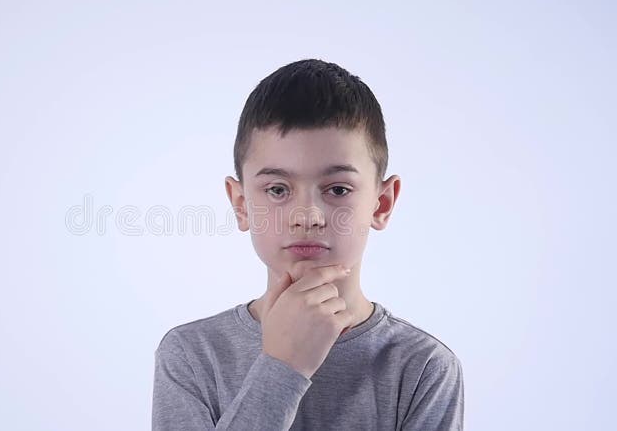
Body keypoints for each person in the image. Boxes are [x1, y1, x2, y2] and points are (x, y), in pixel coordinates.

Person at [152, 59, 464, 430]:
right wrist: (283, 369)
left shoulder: (421, 368)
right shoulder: (192, 355)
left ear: (381, 204)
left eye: (337, 190)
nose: (307, 215)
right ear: (241, 204)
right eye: (278, 190)